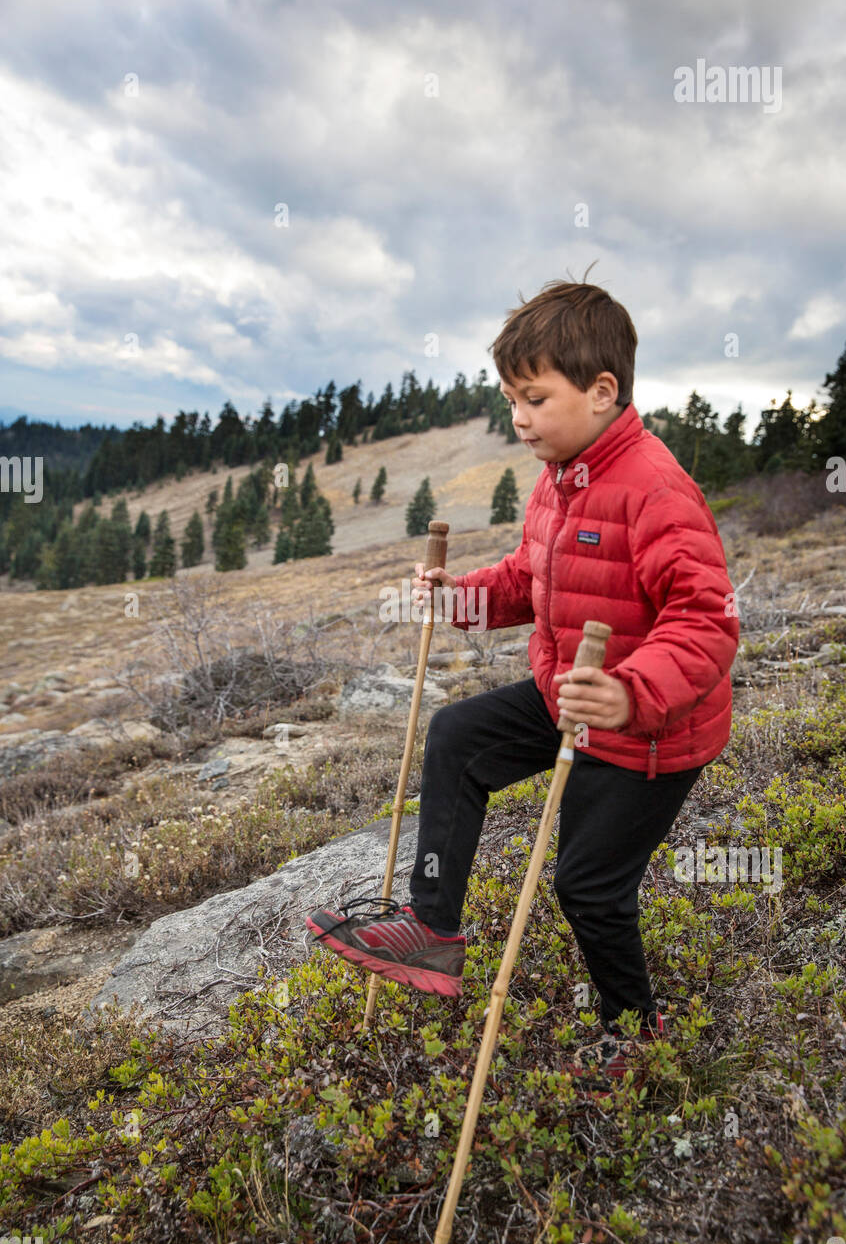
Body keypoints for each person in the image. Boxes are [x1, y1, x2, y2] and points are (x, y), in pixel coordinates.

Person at [306, 276, 739, 1088]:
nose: (519, 418)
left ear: (602, 391)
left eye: (535, 399)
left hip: (648, 730)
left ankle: (634, 1031)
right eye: (511, 400)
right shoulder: (561, 475)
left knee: (588, 886)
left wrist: (630, 693)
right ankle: (432, 931)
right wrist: (461, 597)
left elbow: (707, 620)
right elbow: (528, 578)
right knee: (459, 737)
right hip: (569, 695)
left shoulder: (655, 489)